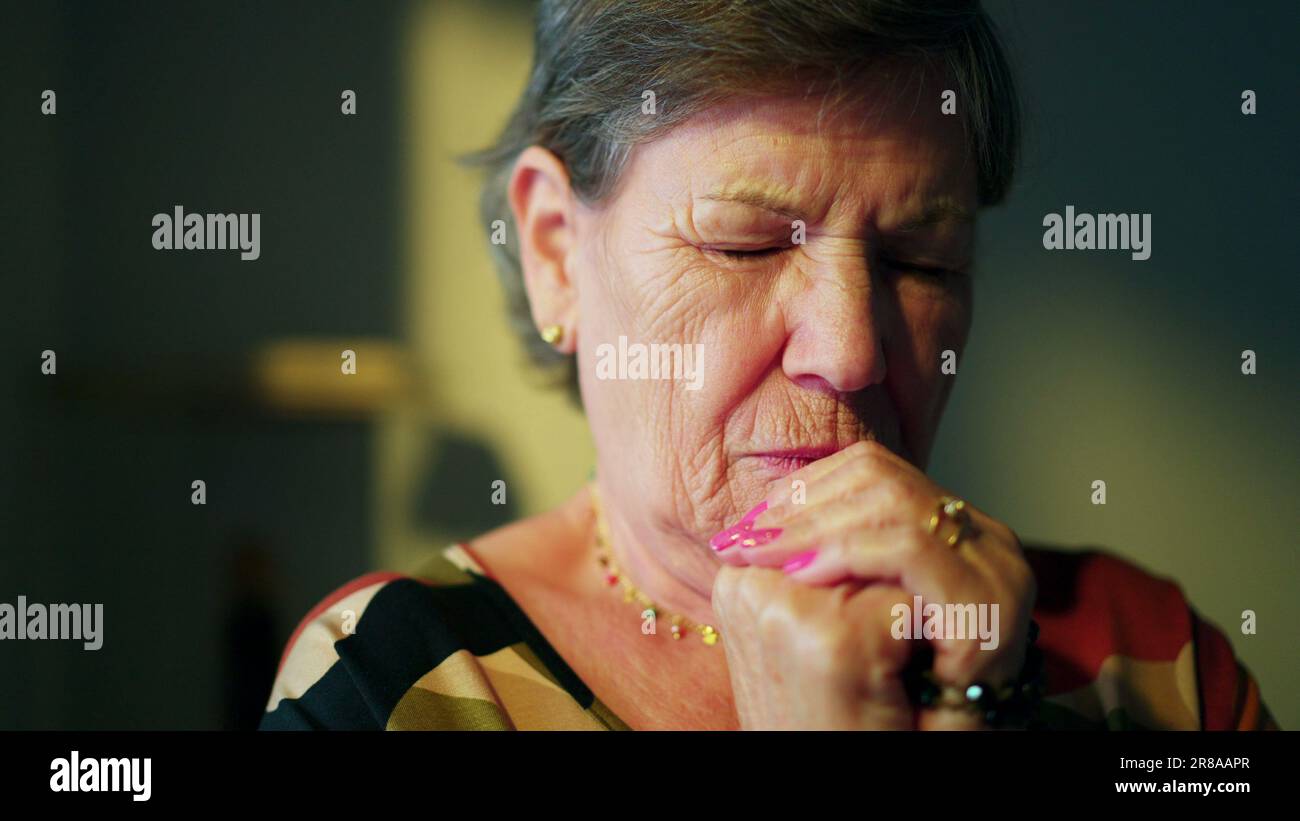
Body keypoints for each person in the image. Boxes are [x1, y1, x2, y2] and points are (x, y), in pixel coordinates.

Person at [261, 0, 1275, 731]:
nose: (850, 349)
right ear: (556, 255)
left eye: (920, 260)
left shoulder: (1149, 662)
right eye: (745, 243)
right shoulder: (388, 679)